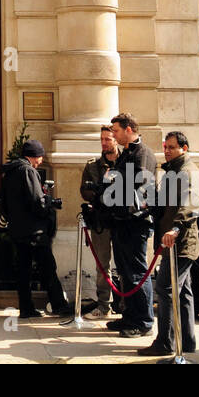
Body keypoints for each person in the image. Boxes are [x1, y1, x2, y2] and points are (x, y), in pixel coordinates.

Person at [139, 131, 199, 357]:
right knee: (183, 291)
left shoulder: (187, 172)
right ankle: (187, 340)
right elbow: (166, 204)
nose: (167, 151)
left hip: (181, 243)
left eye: (172, 147)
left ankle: (166, 342)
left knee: (166, 289)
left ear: (184, 148)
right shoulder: (172, 172)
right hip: (171, 241)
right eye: (165, 147)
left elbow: (189, 205)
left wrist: (175, 228)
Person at [0, 139, 72, 319]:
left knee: (23, 271)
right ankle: (59, 305)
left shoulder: (10, 171)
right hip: (34, 232)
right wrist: (48, 204)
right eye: (40, 157)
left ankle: (26, 308)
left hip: (18, 230)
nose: (41, 161)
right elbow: (36, 202)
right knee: (47, 268)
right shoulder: (28, 171)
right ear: (34, 156)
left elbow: (4, 201)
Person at [104, 112, 156, 336]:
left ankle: (143, 321)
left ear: (128, 129)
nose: (113, 135)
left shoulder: (142, 153)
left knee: (137, 272)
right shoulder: (127, 153)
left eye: (115, 131)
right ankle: (130, 316)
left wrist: (115, 180)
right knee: (125, 272)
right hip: (122, 221)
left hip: (136, 222)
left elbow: (140, 184)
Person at [79, 125, 119, 319]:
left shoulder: (126, 162)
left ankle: (127, 306)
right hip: (101, 220)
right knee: (102, 265)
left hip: (121, 220)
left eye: (108, 139)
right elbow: (84, 190)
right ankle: (104, 305)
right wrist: (98, 193)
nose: (104, 143)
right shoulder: (93, 165)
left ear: (116, 139)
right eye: (102, 139)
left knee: (125, 264)